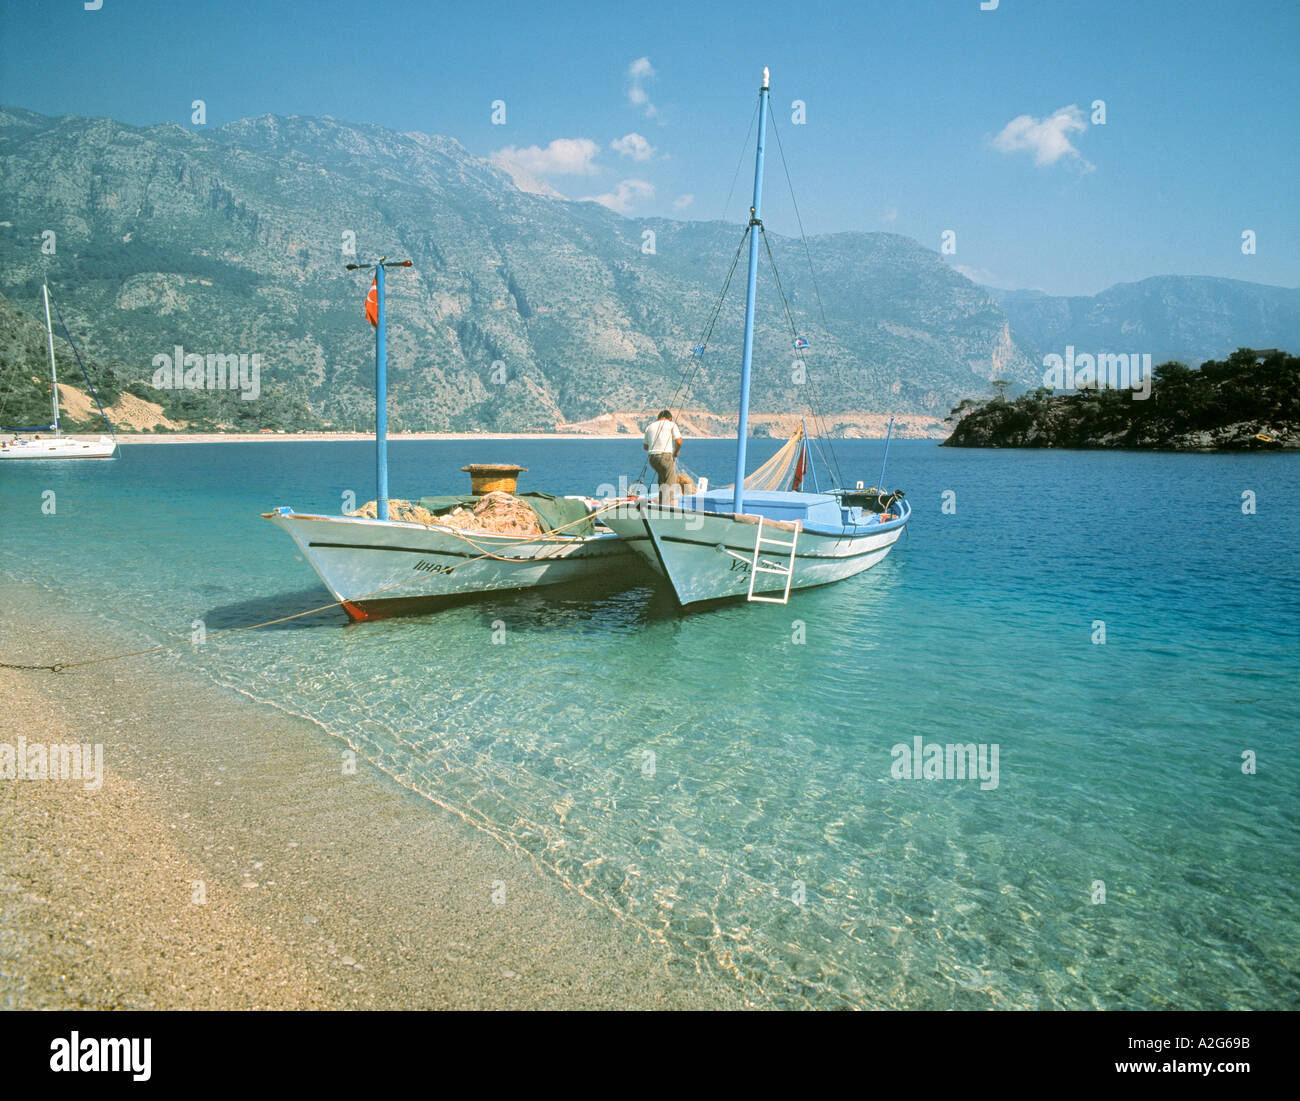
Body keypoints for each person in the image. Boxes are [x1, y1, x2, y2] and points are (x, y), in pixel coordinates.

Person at [643, 409, 682, 504]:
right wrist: (676, 451)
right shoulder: (671, 424)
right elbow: (679, 441)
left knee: (662, 478)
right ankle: (667, 504)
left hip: (652, 458)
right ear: (669, 418)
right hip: (665, 456)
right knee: (670, 479)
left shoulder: (649, 427)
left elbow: (645, 447)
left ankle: (661, 501)